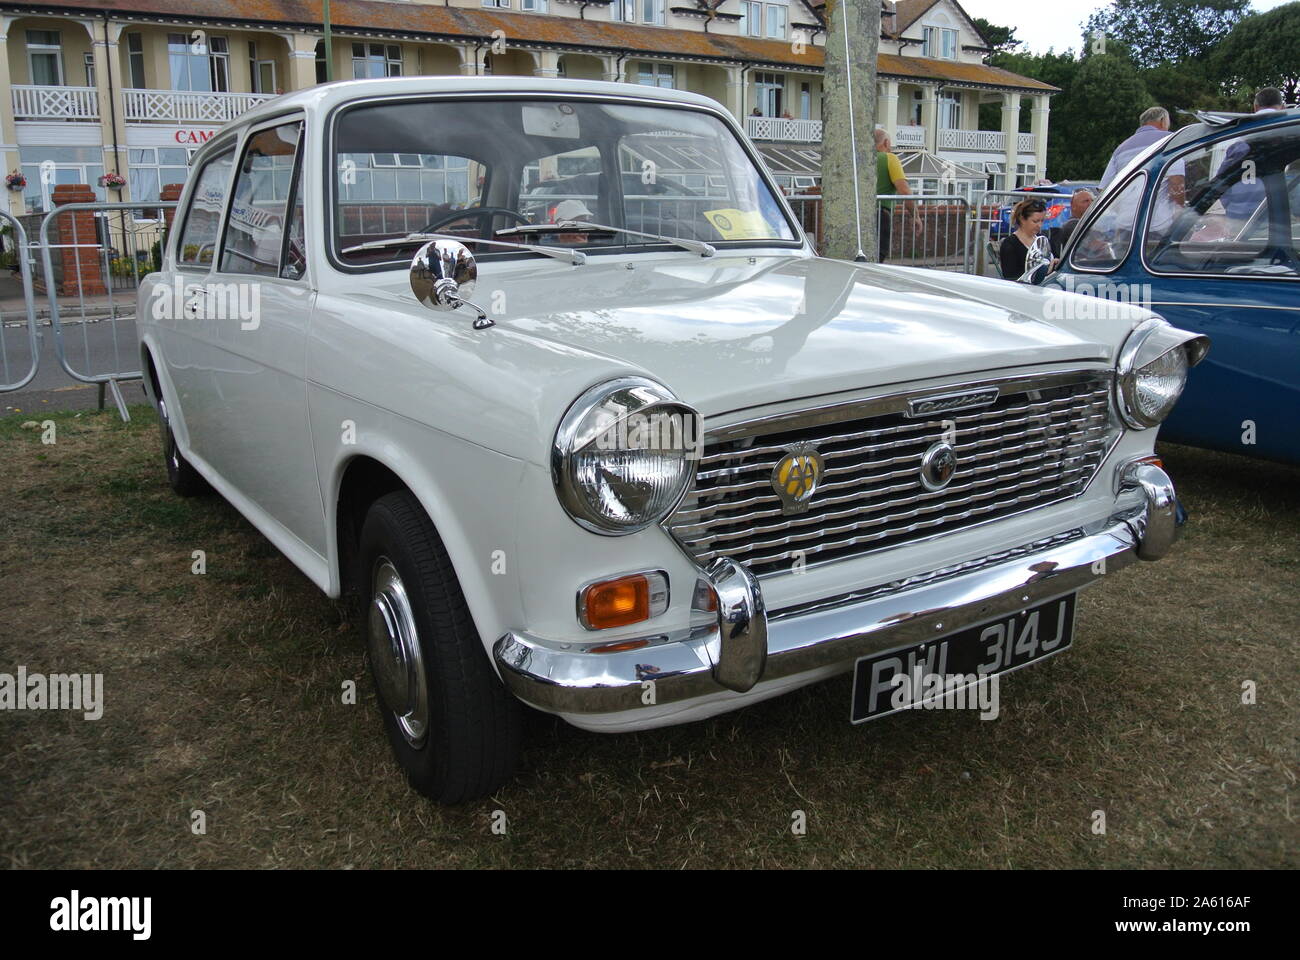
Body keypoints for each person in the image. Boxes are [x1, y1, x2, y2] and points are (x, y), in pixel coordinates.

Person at [1100, 106, 1185, 235]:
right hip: (1156, 224)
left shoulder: (1122, 148)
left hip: (1125, 224)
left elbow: (1104, 189)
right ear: (1162, 121)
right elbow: (1176, 182)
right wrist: (1179, 213)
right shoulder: (1169, 141)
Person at [1215, 88, 1286, 222]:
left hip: (1239, 219)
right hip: (1277, 221)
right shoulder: (1289, 139)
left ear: (1255, 107)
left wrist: (1232, 207)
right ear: (1283, 107)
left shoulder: (1239, 144)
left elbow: (1220, 183)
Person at [873, 127, 921, 263]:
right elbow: (904, 191)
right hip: (880, 215)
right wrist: (915, 216)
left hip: (858, 214)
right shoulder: (890, 158)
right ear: (886, 143)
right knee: (877, 258)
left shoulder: (860, 160)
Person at [1000, 198, 1055, 281]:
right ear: (1022, 219)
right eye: (1035, 221)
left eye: (1042, 221)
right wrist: (1046, 271)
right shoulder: (1010, 244)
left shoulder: (1041, 239)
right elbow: (1011, 276)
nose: (1039, 225)